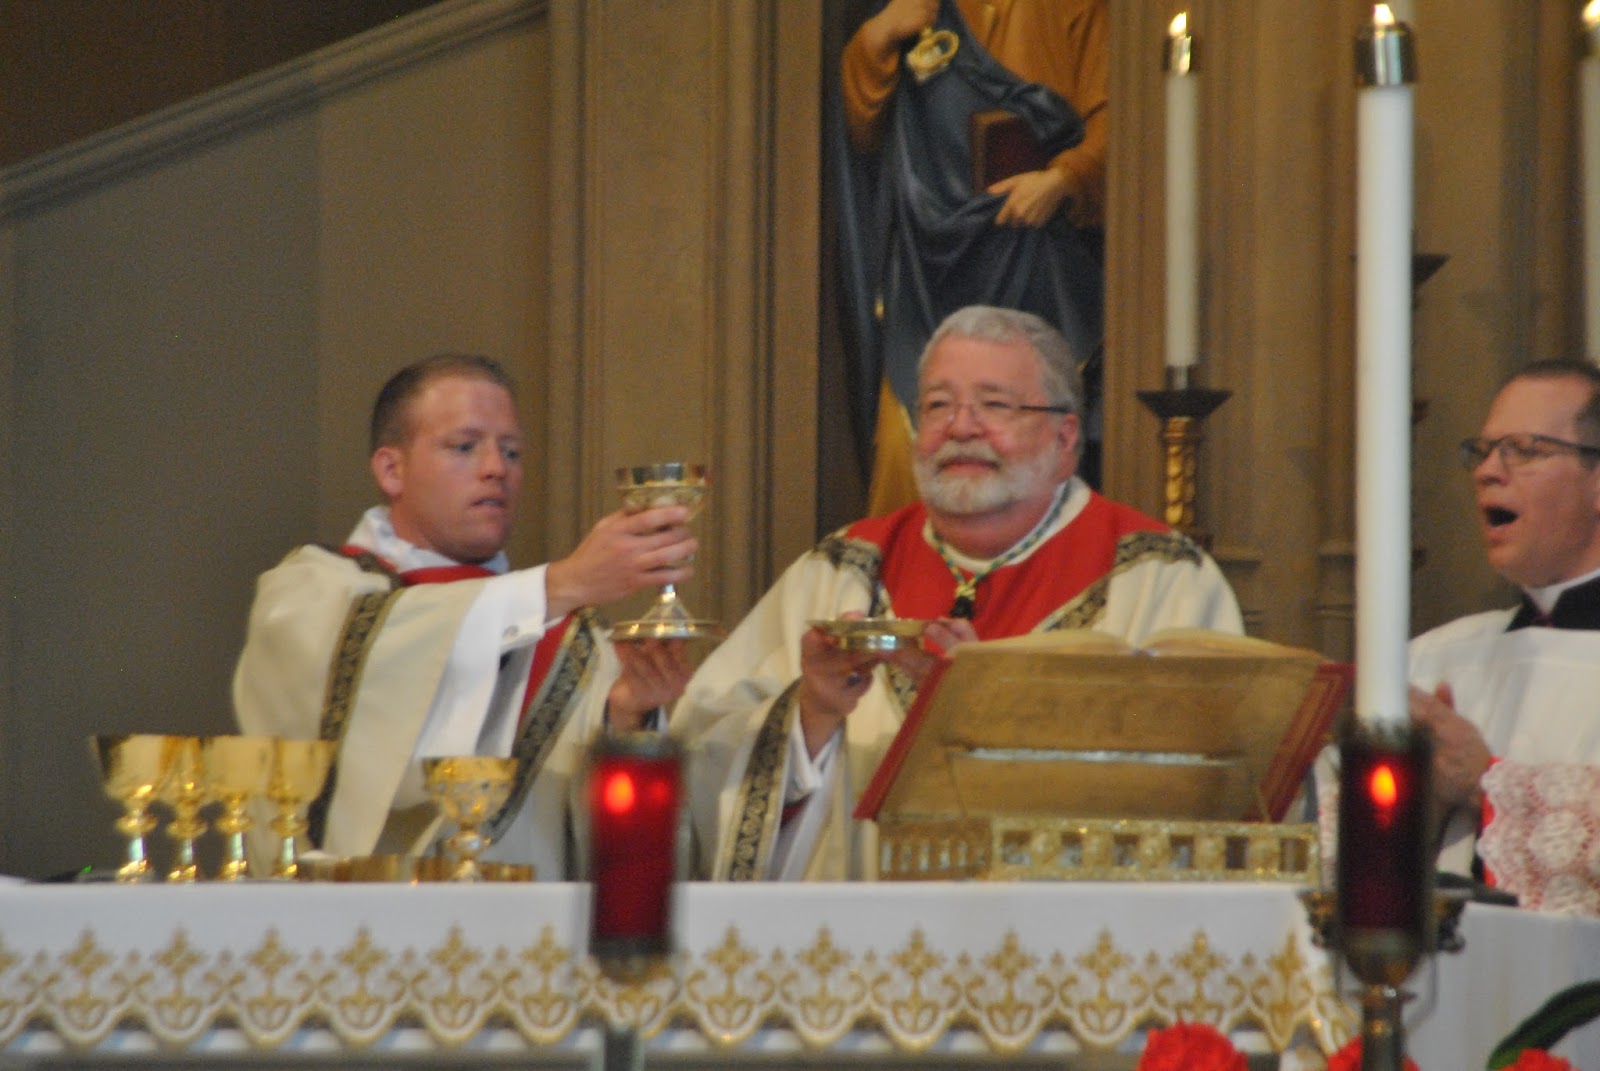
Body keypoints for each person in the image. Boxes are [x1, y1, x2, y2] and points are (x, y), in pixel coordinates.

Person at [676, 306, 1242, 881]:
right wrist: (813, 713)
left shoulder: (1158, 578)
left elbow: (1201, 789)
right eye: (938, 405)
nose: (961, 427)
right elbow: (703, 756)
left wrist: (988, 712)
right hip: (865, 951)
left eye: (994, 405)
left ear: (1064, 437)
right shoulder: (840, 572)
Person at [233, 354, 696, 879]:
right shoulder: (311, 590)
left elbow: (583, 829)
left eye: (513, 451)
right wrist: (561, 584)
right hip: (357, 928)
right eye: (464, 446)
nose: (496, 468)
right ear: (392, 469)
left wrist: (624, 718)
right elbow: (373, 689)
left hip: (528, 938)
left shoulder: (568, 630)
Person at [836, 0, 1109, 512]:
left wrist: (1065, 178)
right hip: (929, 262)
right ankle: (911, 584)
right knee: (906, 438)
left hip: (1030, 251)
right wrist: (877, 39)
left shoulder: (1075, 8)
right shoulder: (919, 7)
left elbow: (1119, 122)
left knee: (1023, 429)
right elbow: (863, 134)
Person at [1403, 359, 1600, 914]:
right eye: (1483, 451)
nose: (1488, 471)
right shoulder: (1432, 660)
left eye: (1525, 450)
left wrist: (1482, 784)